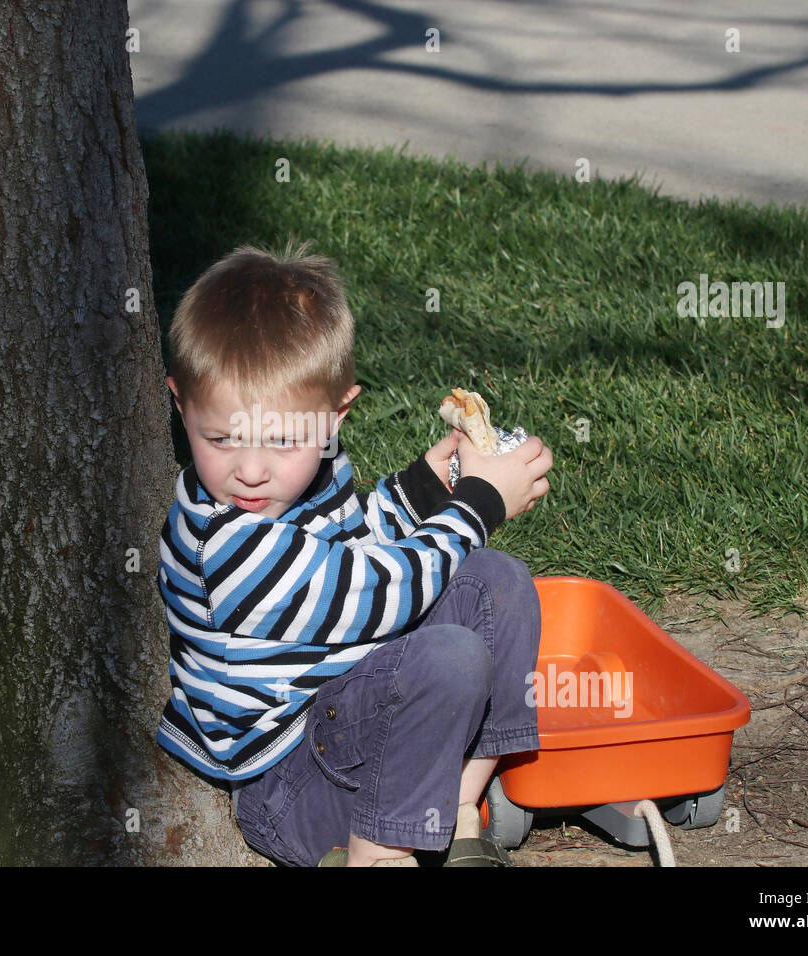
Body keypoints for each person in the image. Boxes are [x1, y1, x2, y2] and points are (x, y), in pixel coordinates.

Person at [155, 238, 553, 866]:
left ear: (335, 416)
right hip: (291, 783)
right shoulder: (226, 541)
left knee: (496, 580)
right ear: (180, 404)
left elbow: (358, 540)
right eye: (223, 439)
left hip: (353, 728)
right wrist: (477, 506)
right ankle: (377, 855)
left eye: (284, 441)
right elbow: (380, 594)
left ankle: (455, 813)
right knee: (446, 654)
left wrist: (430, 486)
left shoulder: (304, 475)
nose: (252, 470)